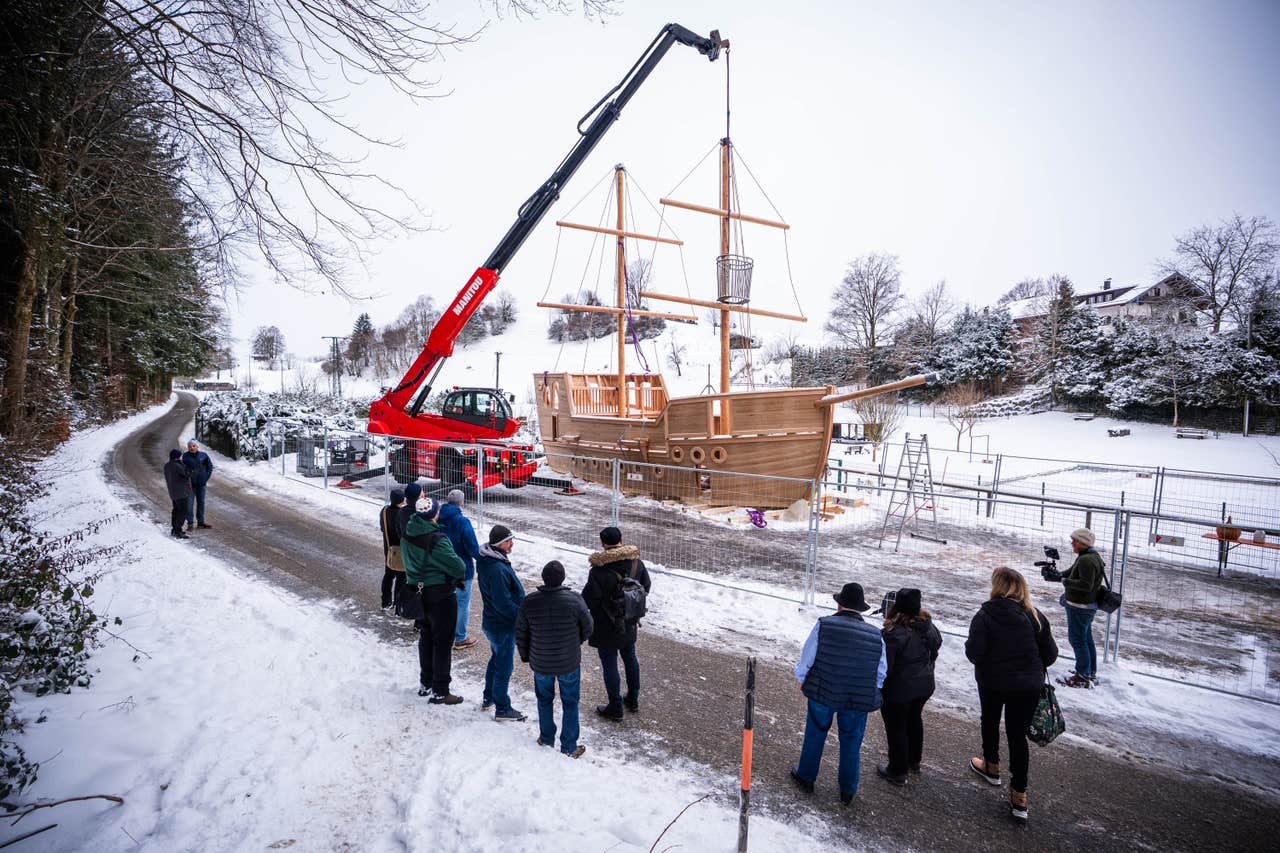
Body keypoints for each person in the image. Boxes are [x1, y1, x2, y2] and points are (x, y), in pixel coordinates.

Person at [965, 566, 1058, 825]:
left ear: (997, 586)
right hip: (1027, 686)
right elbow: (1050, 655)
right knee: (1018, 736)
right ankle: (1019, 796)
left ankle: (991, 766)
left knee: (990, 721)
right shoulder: (1034, 616)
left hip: (992, 682)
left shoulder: (984, 615)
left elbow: (974, 653)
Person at [791, 582, 886, 805]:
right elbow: (881, 671)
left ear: (839, 603)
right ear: (861, 609)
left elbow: (808, 656)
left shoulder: (824, 625)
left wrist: (802, 679)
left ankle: (806, 776)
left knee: (815, 732)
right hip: (856, 698)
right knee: (852, 740)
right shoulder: (875, 635)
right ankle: (848, 789)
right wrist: (872, 690)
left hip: (823, 690)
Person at [516, 560, 593, 759]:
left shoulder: (529, 601)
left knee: (544, 699)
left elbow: (521, 633)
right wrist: (577, 642)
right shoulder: (575, 600)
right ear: (563, 578)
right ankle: (568, 746)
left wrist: (526, 655)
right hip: (568, 662)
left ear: (543, 578)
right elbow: (588, 627)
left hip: (540, 662)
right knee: (570, 702)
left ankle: (546, 737)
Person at [582, 526, 651, 721]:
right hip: (629, 621)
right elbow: (646, 587)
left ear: (603, 544)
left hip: (605, 626)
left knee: (609, 663)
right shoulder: (636, 563)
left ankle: (615, 706)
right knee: (630, 657)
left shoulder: (598, 570)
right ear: (621, 540)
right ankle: (633, 699)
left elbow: (589, 599)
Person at [402, 497, 466, 705]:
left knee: (426, 637)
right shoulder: (437, 539)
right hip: (440, 595)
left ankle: (425, 682)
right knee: (443, 642)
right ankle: (441, 689)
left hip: (417, 591)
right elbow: (459, 568)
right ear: (434, 514)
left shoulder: (408, 533)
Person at [876, 588, 942, 786]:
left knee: (897, 726)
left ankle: (897, 770)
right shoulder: (928, 627)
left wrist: (879, 686)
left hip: (900, 689)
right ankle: (913, 760)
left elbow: (886, 665)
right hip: (924, 684)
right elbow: (937, 645)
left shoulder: (893, 634)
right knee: (914, 718)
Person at [475, 524, 527, 722]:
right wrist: (521, 617)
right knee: (504, 666)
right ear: (499, 544)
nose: (512, 543)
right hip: (502, 625)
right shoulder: (496, 568)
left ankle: (489, 697)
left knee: (496, 659)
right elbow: (502, 603)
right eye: (508, 540)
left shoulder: (493, 560)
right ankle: (502, 707)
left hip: (494, 622)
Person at [1057, 528, 1103, 688]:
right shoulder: (1089, 556)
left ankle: (1082, 676)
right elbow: (1071, 573)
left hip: (1080, 606)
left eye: (1075, 540)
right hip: (1086, 606)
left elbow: (1086, 585)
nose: (1072, 543)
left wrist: (1065, 582)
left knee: (1077, 640)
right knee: (1086, 639)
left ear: (1083, 543)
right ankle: (1089, 672)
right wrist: (1058, 575)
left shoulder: (1086, 560)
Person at [440, 489, 481, 649]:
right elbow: (472, 547)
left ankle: (443, 632)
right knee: (462, 604)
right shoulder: (462, 522)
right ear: (461, 503)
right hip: (462, 570)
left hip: (442, 569)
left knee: (445, 602)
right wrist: (483, 559)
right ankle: (460, 638)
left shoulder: (437, 517)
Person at [379, 488, 406, 610]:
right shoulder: (401, 514)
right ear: (401, 500)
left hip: (388, 549)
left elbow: (382, 528)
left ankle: (385, 601)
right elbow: (402, 534)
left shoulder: (384, 511)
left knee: (388, 575)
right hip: (399, 551)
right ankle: (398, 604)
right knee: (401, 577)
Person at [180, 439, 214, 531]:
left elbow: (210, 466)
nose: (192, 448)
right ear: (188, 448)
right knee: (189, 505)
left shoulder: (203, 455)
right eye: (190, 446)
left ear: (197, 447)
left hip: (202, 485)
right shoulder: (185, 457)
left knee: (201, 503)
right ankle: (190, 523)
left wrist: (206, 477)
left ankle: (201, 522)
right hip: (190, 486)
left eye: (193, 446)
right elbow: (183, 470)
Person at [163, 449, 193, 539]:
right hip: (181, 492)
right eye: (180, 455)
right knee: (182, 511)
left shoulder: (167, 465)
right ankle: (177, 531)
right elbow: (187, 474)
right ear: (177, 457)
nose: (181, 457)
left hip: (173, 492)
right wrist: (189, 468)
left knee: (176, 510)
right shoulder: (177, 466)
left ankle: (175, 529)